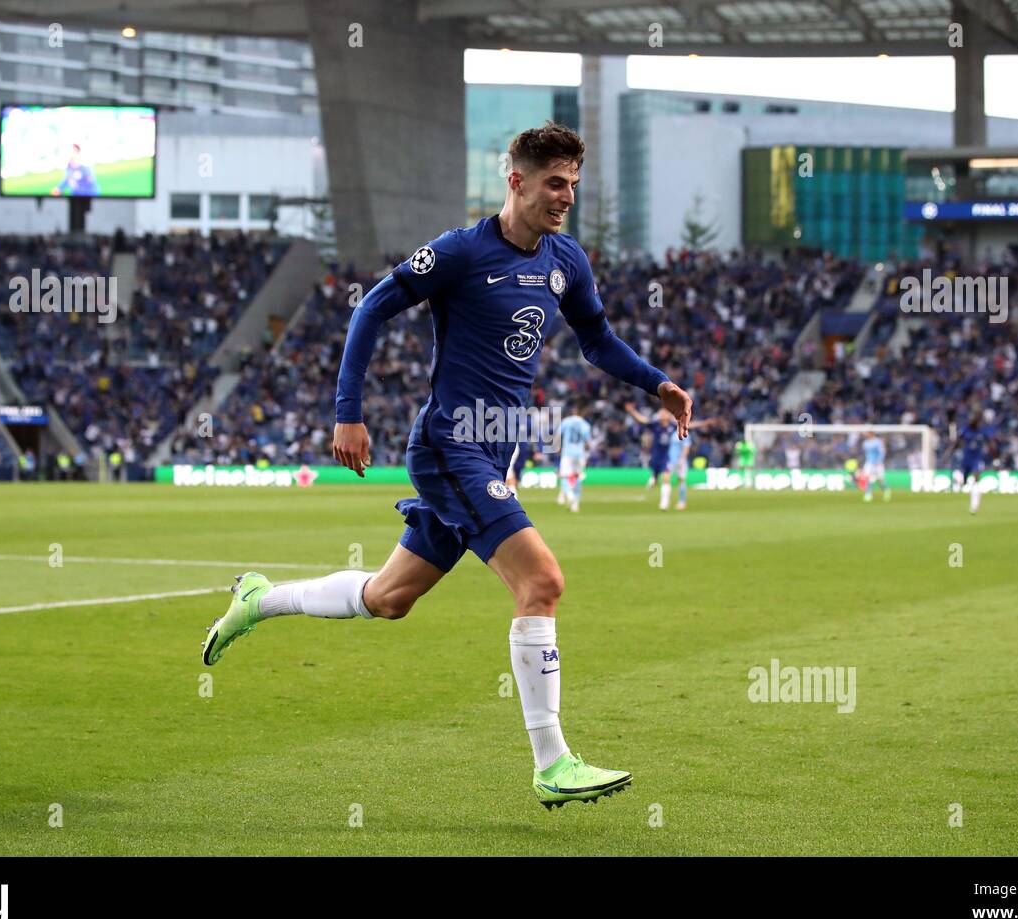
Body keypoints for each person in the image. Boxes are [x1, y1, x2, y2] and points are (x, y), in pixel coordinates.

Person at [200, 122, 694, 808]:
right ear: (516, 180)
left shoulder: (566, 261)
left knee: (388, 598)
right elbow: (373, 306)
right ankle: (552, 760)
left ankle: (258, 598)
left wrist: (655, 382)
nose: (566, 197)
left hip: (494, 448)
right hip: (449, 445)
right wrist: (349, 410)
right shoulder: (461, 252)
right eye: (555, 183)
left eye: (574, 185)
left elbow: (597, 338)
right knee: (542, 581)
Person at [554, 403, 592, 512]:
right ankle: (575, 503)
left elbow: (558, 435)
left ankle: (569, 496)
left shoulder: (566, 421)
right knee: (578, 476)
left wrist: (558, 447)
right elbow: (587, 442)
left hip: (567, 453)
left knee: (565, 476)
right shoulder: (585, 424)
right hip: (579, 454)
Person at [861, 430, 890, 503]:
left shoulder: (878, 442)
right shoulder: (865, 443)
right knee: (868, 478)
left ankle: (886, 490)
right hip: (869, 463)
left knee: (880, 479)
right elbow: (866, 453)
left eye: (867, 433)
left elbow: (882, 451)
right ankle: (868, 494)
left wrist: (879, 461)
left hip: (877, 463)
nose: (866, 435)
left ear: (871, 434)